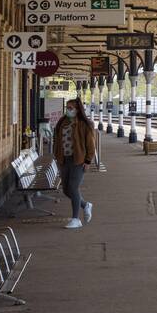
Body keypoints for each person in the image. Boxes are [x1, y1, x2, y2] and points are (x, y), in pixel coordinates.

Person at [53, 97, 96, 230]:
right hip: (63, 159)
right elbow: (57, 138)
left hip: (78, 160)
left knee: (73, 188)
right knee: (66, 190)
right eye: (67, 108)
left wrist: (88, 161)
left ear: (78, 109)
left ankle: (76, 219)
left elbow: (91, 144)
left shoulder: (85, 124)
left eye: (70, 108)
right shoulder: (62, 122)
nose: (68, 110)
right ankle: (85, 205)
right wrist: (56, 154)